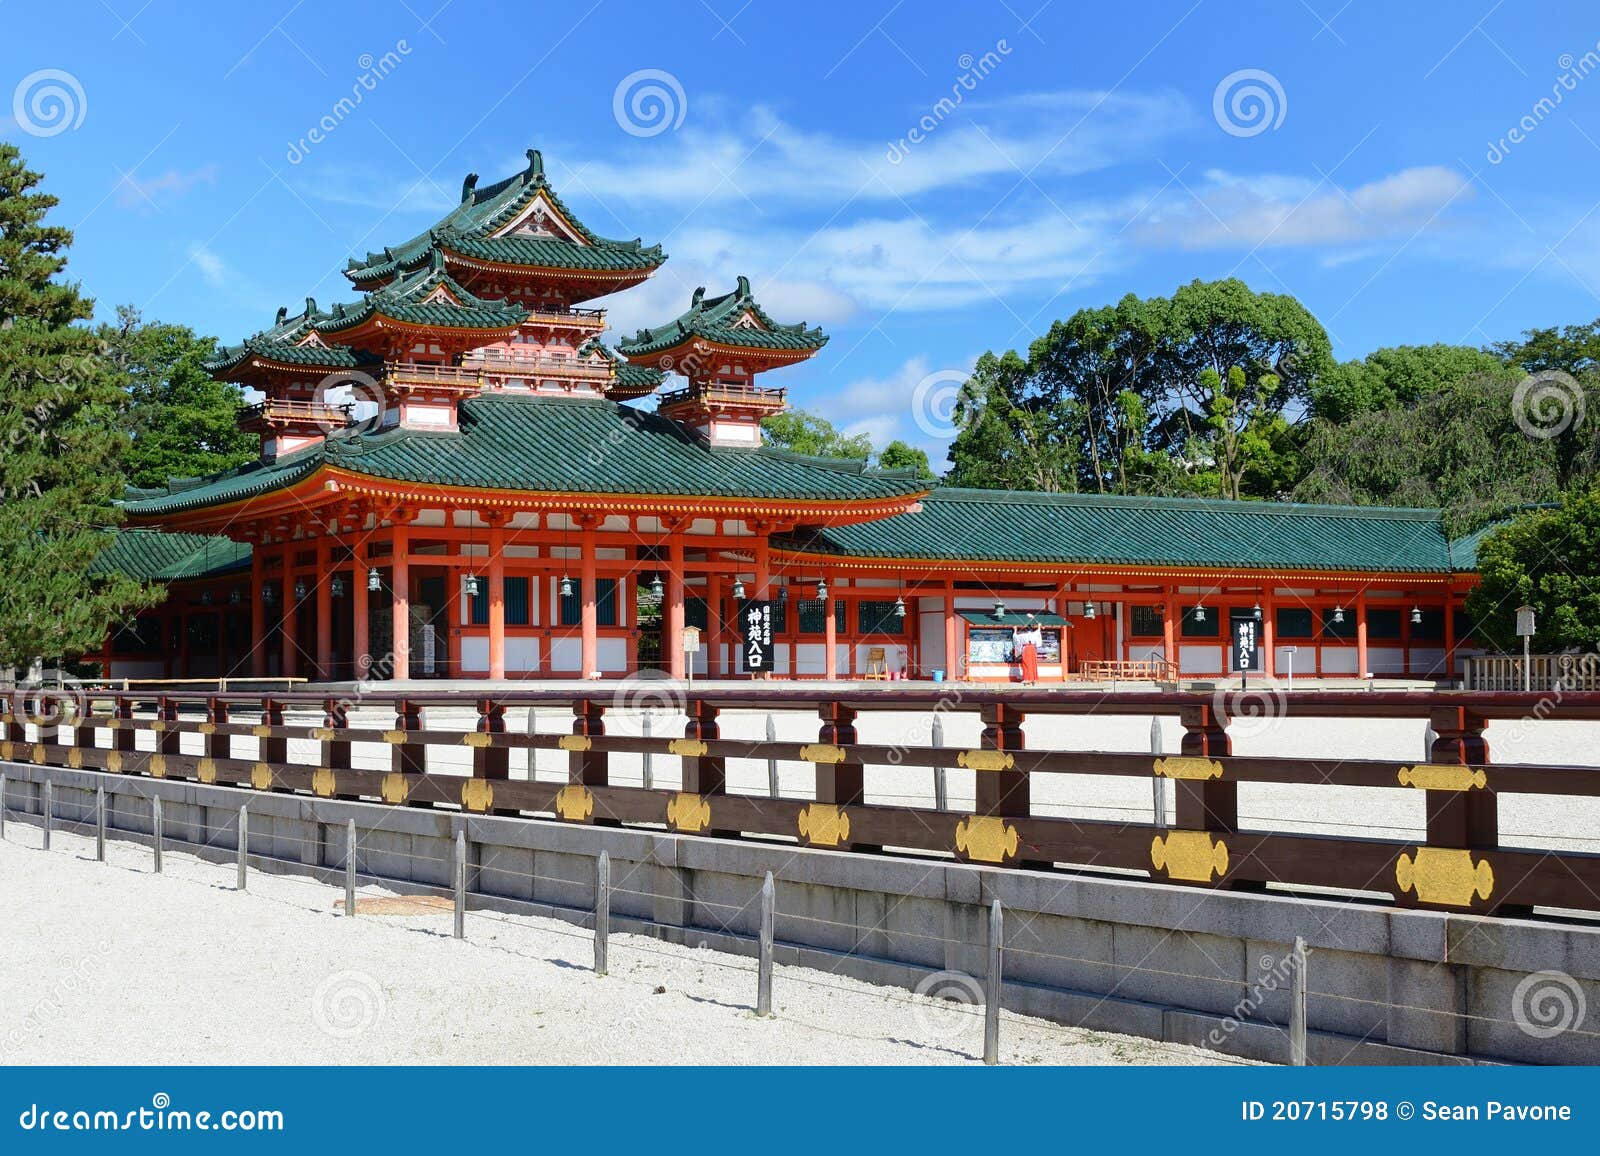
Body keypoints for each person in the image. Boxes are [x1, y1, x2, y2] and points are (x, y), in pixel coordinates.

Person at [1014, 615, 1042, 685]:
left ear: (1025, 629)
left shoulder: (1022, 635)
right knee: (1033, 663)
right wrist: (1038, 625)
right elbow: (1039, 629)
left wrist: (1015, 630)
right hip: (1032, 648)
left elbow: (1015, 638)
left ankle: (1027, 679)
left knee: (1026, 664)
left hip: (1026, 649)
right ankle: (1034, 679)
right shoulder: (1034, 634)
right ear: (1031, 629)